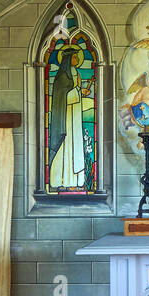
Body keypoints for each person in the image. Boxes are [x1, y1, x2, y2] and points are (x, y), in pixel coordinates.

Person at [47, 46, 92, 189]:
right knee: (66, 146)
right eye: (75, 57)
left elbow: (73, 93)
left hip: (76, 115)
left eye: (78, 57)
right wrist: (79, 91)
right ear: (67, 59)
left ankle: (75, 182)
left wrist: (81, 91)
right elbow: (63, 97)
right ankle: (61, 181)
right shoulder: (62, 76)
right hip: (66, 118)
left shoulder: (75, 73)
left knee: (75, 145)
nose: (77, 59)